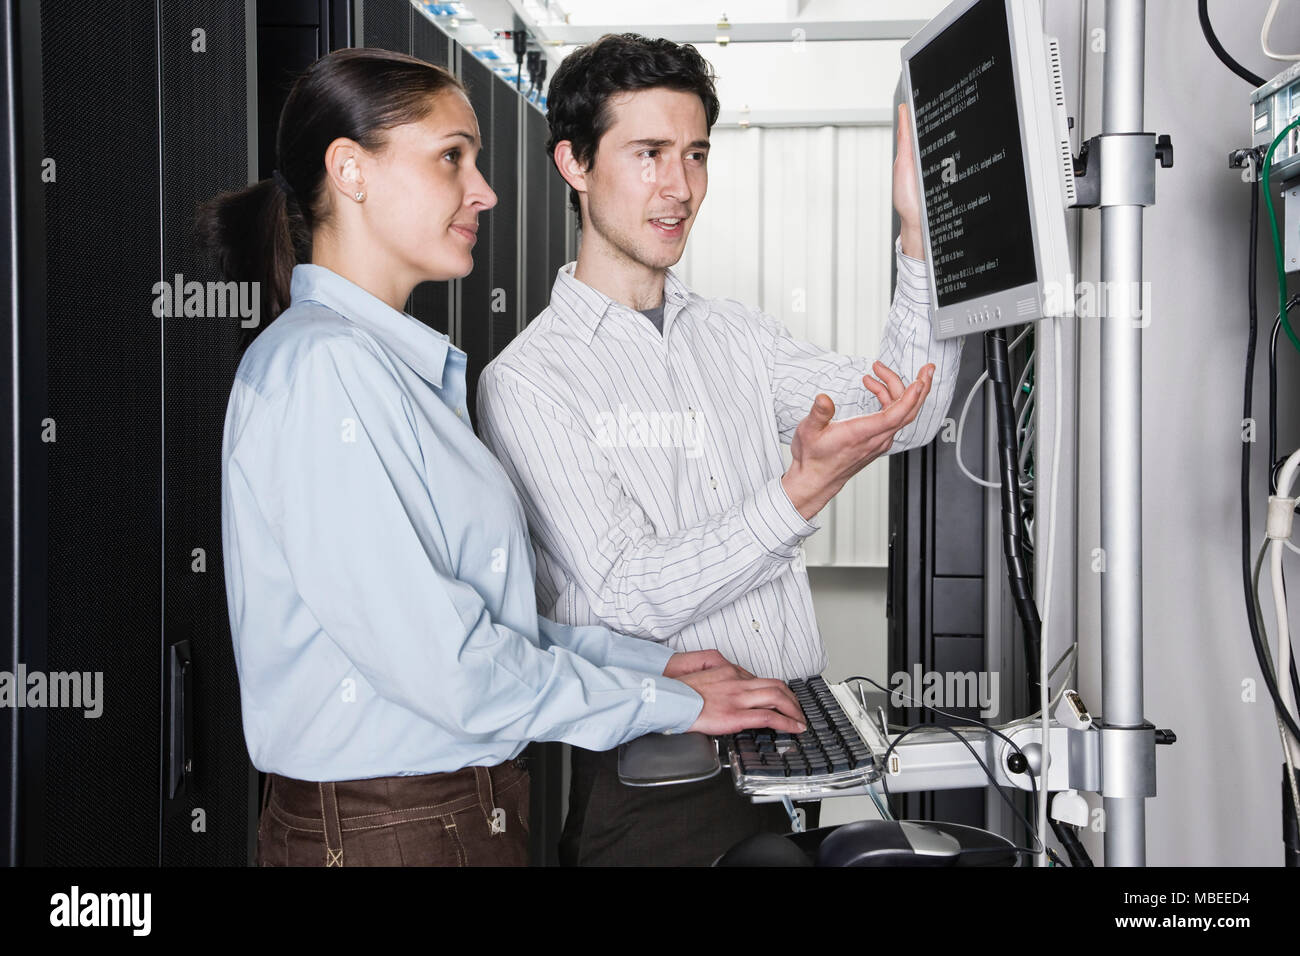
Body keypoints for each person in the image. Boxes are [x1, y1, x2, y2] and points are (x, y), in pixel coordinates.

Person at [201, 46, 804, 868]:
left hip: (439, 815)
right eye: (452, 158)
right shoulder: (324, 373)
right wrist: (662, 698)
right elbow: (451, 669)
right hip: (392, 830)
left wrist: (656, 663)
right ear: (351, 171)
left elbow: (490, 627)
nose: (483, 190)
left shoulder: (389, 369)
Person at [475, 33, 964, 866]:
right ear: (575, 165)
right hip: (658, 785)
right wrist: (798, 494)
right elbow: (630, 594)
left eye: (696, 155)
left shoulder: (733, 335)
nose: (680, 188)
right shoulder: (529, 380)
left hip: (785, 750)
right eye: (649, 154)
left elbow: (904, 411)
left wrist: (919, 235)